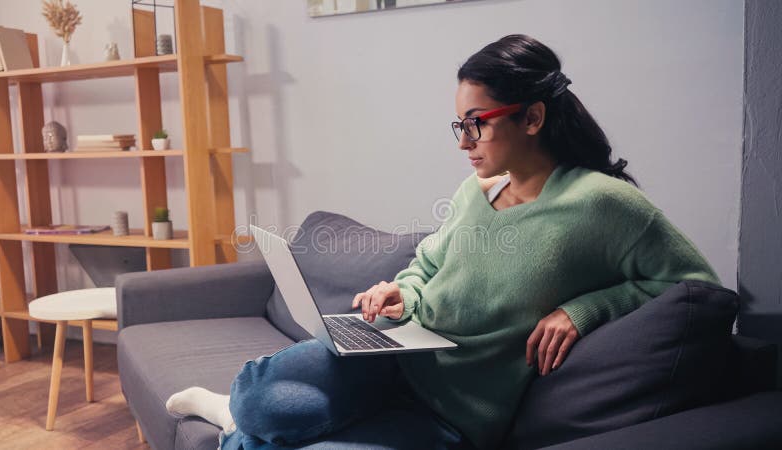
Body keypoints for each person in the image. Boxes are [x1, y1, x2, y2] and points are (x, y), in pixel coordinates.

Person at [165, 34, 720, 450]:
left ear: (533, 117)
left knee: (275, 432)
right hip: (391, 355)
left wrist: (586, 309)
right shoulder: (476, 189)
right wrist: (399, 292)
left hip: (455, 410)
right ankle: (238, 413)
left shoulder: (602, 204)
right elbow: (426, 265)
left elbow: (698, 286)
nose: (465, 143)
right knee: (261, 397)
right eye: (459, 125)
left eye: (476, 123)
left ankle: (236, 432)